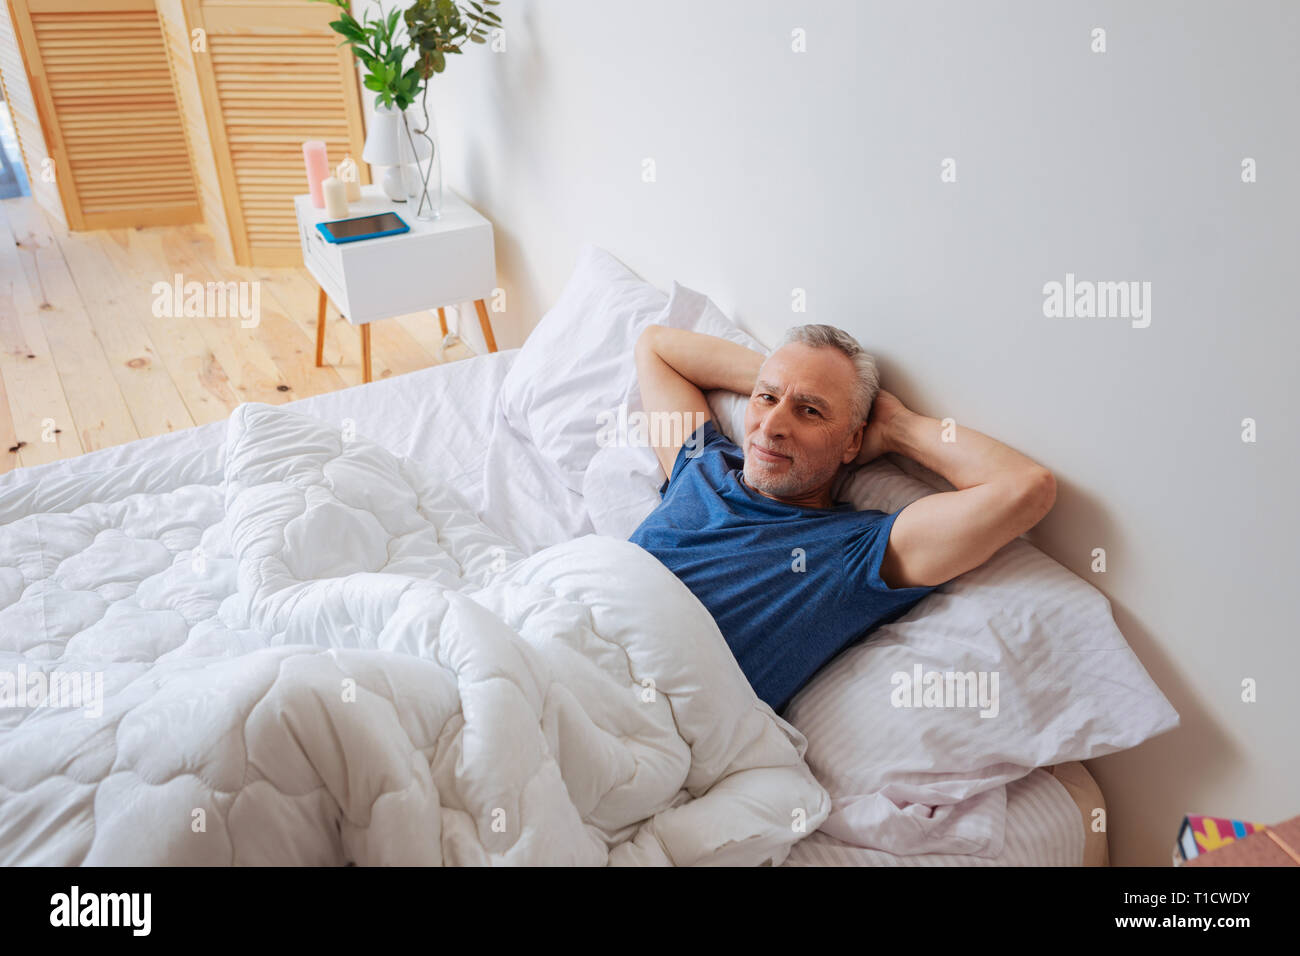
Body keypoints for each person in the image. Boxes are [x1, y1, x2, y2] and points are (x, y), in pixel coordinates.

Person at [627, 323, 1056, 714]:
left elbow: (1024, 487)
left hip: (641, 708)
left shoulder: (854, 551)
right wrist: (791, 380)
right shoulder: (702, 464)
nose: (772, 425)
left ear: (853, 442)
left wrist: (895, 426)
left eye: (810, 411)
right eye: (767, 398)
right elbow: (657, 347)